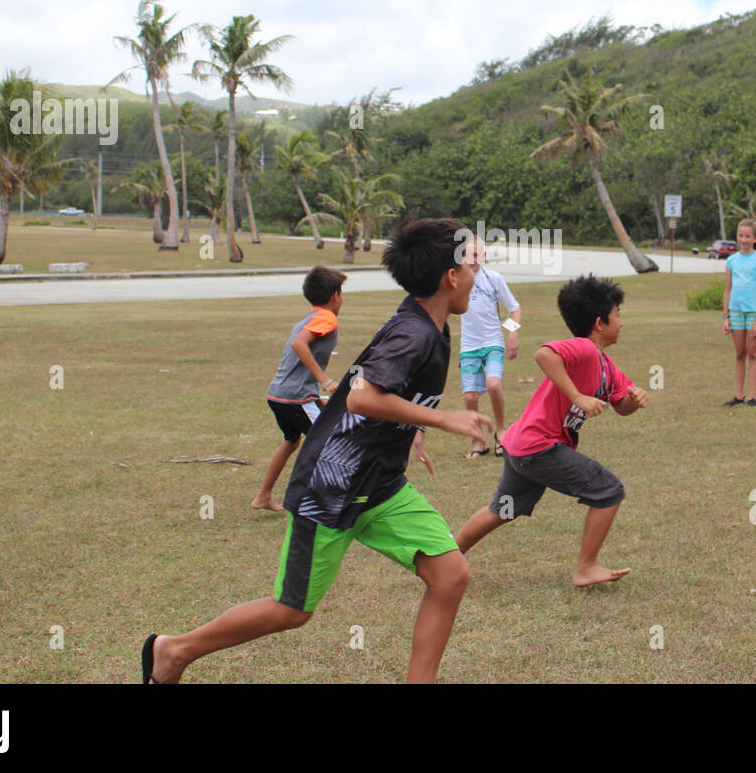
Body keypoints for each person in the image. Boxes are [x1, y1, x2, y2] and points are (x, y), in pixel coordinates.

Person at [142, 218, 494, 683]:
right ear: (451, 277)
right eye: (472, 263)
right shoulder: (415, 333)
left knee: (451, 576)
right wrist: (443, 418)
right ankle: (173, 650)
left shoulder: (431, 323)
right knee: (292, 610)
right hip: (330, 486)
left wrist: (415, 433)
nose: (478, 273)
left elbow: (393, 391)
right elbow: (363, 397)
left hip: (380, 483)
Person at [453, 275, 649, 586]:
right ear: (600, 323)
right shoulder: (583, 348)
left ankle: (443, 558)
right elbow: (544, 354)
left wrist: (634, 400)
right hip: (539, 446)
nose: (621, 322)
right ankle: (585, 567)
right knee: (609, 490)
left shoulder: (606, 365)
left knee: (501, 510)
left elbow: (621, 406)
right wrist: (578, 396)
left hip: (522, 446)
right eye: (618, 315)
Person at [252, 265, 347, 511]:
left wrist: (317, 397)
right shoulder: (326, 317)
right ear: (335, 296)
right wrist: (325, 381)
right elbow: (299, 345)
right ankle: (318, 502)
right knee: (329, 444)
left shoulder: (309, 317)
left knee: (293, 442)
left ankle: (263, 496)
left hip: (278, 395)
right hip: (296, 398)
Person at [457, 235, 522, 458]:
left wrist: (512, 333)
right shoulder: (456, 280)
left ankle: (502, 431)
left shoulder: (493, 278)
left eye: (476, 254)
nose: (472, 259)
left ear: (483, 256)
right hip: (468, 346)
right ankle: (478, 440)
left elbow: (514, 307)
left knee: (493, 385)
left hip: (493, 342)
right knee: (469, 397)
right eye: (467, 255)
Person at [721, 219, 756, 407]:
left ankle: (752, 395)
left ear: (755, 238)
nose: (743, 239)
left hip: (753, 313)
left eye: (747, 236)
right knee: (740, 353)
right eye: (741, 235)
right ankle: (738, 395)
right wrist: (726, 317)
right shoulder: (731, 261)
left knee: (753, 352)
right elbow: (727, 289)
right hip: (736, 312)